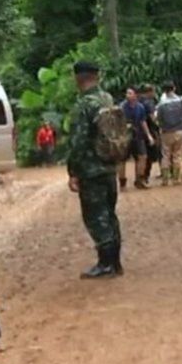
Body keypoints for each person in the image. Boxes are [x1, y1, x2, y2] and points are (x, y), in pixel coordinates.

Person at [66, 61, 124, 279]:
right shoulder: (107, 99)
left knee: (96, 216)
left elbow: (78, 142)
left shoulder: (84, 105)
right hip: (110, 166)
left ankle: (105, 263)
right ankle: (116, 262)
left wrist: (73, 171)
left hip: (91, 171)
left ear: (78, 78)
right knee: (109, 214)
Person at [155, 80, 182, 185]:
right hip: (180, 130)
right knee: (177, 154)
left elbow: (158, 118)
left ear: (163, 91)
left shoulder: (161, 104)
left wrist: (162, 126)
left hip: (166, 132)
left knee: (165, 155)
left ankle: (165, 179)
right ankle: (176, 179)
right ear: (174, 88)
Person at [119, 87, 154, 189]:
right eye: (127, 93)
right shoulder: (122, 107)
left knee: (142, 156)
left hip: (138, 135)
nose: (128, 95)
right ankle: (122, 181)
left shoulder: (140, 107)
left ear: (136, 95)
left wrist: (149, 135)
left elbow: (143, 122)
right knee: (122, 159)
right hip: (125, 136)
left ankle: (139, 180)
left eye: (130, 93)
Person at [139, 84, 160, 180]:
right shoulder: (149, 103)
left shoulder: (138, 100)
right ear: (150, 92)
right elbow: (153, 118)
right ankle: (145, 175)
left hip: (138, 130)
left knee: (140, 155)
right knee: (150, 154)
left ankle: (139, 176)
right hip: (149, 130)